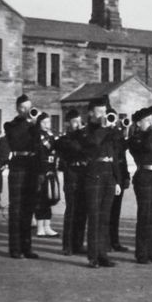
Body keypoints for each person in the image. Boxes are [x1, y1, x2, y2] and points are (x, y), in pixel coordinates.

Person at [77, 99, 121, 268]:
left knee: (105, 218)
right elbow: (92, 143)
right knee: (94, 217)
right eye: (99, 112)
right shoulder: (87, 130)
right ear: (90, 113)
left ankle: (103, 254)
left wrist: (116, 178)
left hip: (108, 175)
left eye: (105, 111)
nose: (103, 115)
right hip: (93, 175)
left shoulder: (109, 130)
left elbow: (116, 152)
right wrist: (103, 127)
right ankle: (93, 256)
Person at [1, 94, 41, 259]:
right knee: (16, 209)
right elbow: (15, 136)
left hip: (31, 167)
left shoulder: (34, 126)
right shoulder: (11, 125)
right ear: (18, 108)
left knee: (28, 209)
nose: (27, 111)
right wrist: (27, 121)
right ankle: (15, 248)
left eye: (29, 107)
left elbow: (39, 144)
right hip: (17, 166)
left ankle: (27, 247)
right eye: (24, 108)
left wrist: (36, 124)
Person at [127, 106, 152, 264]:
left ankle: (151, 251)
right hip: (143, 176)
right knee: (144, 216)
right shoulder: (136, 138)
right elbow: (148, 147)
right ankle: (141, 253)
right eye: (147, 120)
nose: (151, 123)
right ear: (138, 123)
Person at [54, 109, 88, 256]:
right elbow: (74, 148)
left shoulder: (85, 137)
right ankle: (67, 245)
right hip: (72, 175)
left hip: (84, 175)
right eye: (75, 122)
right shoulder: (64, 139)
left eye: (80, 122)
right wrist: (80, 135)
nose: (78, 125)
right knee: (72, 211)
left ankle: (78, 243)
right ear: (67, 123)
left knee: (82, 211)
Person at [107, 107, 131, 252]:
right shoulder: (104, 133)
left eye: (112, 118)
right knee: (107, 211)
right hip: (108, 175)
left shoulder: (118, 134)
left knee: (116, 211)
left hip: (120, 174)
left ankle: (114, 241)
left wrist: (126, 175)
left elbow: (122, 156)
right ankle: (106, 242)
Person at [34, 112, 59, 238]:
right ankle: (40, 226)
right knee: (40, 199)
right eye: (44, 122)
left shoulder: (51, 136)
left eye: (48, 122)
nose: (46, 125)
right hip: (40, 170)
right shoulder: (37, 136)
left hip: (51, 169)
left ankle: (47, 226)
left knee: (49, 198)